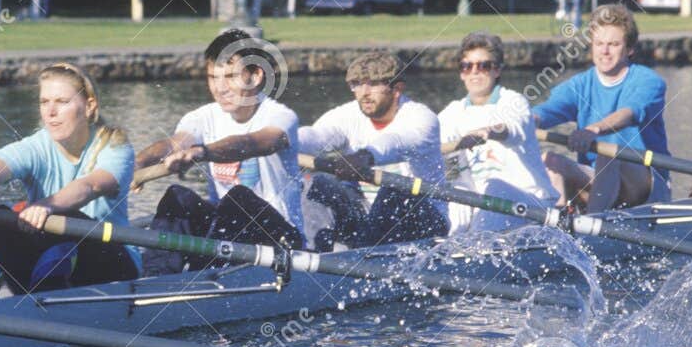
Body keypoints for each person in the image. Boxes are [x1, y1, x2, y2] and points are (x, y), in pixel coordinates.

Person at [0, 63, 138, 298]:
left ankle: (47, 303)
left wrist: (47, 205)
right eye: (44, 102)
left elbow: (91, 186)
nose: (50, 112)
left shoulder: (115, 147)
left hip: (114, 265)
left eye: (62, 102)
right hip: (51, 256)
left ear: (89, 106)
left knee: (65, 217)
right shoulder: (36, 146)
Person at [135, 29, 304, 270]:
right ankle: (156, 278)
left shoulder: (281, 116)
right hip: (227, 233)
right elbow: (174, 143)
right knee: (177, 197)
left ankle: (204, 272)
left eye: (230, 76)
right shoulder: (202, 117)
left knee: (238, 197)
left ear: (256, 76)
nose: (220, 88)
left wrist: (203, 152)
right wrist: (138, 163)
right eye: (213, 78)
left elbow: (255, 143)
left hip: (282, 240)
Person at [299, 52, 449, 247]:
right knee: (318, 183)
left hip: (426, 221)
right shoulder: (346, 115)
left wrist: (364, 156)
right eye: (357, 84)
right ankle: (316, 252)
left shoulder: (421, 118)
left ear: (397, 89)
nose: (364, 93)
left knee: (395, 191)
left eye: (373, 84)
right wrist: (284, 140)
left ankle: (363, 254)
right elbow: (316, 136)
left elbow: (395, 142)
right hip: (366, 217)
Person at [532, 3, 670, 212]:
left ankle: (591, 223)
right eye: (599, 43)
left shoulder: (649, 82)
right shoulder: (579, 85)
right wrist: (528, 120)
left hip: (645, 184)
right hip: (597, 179)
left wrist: (594, 130)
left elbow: (628, 113)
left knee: (610, 156)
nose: (604, 51)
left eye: (613, 44)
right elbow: (549, 109)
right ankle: (554, 223)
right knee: (550, 160)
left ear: (630, 49)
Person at [435, 33, 556, 234]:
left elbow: (513, 129)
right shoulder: (450, 114)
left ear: (497, 70)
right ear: (461, 73)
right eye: (467, 66)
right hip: (482, 205)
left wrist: (490, 131)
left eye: (484, 66)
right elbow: (438, 153)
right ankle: (451, 245)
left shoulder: (514, 102)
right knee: (455, 193)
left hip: (532, 203)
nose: (474, 72)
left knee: (494, 187)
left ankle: (471, 245)